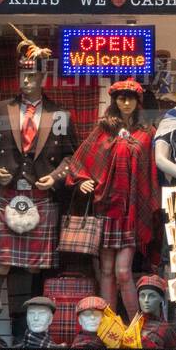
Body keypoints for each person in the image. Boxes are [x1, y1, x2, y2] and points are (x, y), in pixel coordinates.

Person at [67, 79, 159, 317]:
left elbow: (150, 171)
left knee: (123, 272)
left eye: (130, 98)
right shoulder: (104, 129)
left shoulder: (148, 132)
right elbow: (81, 159)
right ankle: (111, 329)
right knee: (106, 271)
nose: (126, 102)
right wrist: (81, 179)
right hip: (107, 208)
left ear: (138, 101)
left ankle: (136, 327)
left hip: (131, 210)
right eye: (121, 98)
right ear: (115, 101)